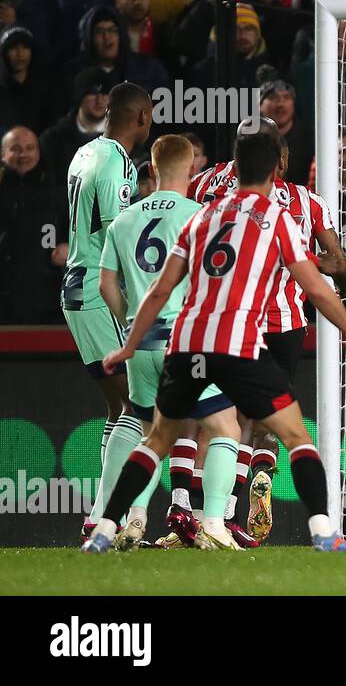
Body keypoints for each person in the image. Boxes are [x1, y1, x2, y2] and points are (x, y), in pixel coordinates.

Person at [83, 130, 346, 554]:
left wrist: (130, 344)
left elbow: (159, 291)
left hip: (187, 345)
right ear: (277, 166)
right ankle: (320, 531)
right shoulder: (277, 217)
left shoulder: (201, 217)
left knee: (154, 440)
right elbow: (316, 289)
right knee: (295, 437)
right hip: (238, 346)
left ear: (233, 167)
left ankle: (103, 530)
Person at [95, 135, 237, 549]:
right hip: (186, 343)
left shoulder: (124, 220)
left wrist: (129, 323)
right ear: (192, 171)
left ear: (152, 170)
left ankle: (134, 519)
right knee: (225, 426)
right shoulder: (201, 215)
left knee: (148, 434)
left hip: (140, 344)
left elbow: (106, 284)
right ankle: (212, 523)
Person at [62, 82, 150, 541]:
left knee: (118, 409)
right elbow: (120, 233)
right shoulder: (118, 162)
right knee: (139, 405)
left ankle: (110, 519)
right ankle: (106, 517)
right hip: (99, 289)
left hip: (76, 289)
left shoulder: (83, 153)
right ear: (142, 117)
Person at [0, 126, 68, 325]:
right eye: (16, 148)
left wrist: (68, 246)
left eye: (30, 148)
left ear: (38, 152)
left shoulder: (58, 194)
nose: (23, 154)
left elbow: (80, 234)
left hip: (44, 301)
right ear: (3, 154)